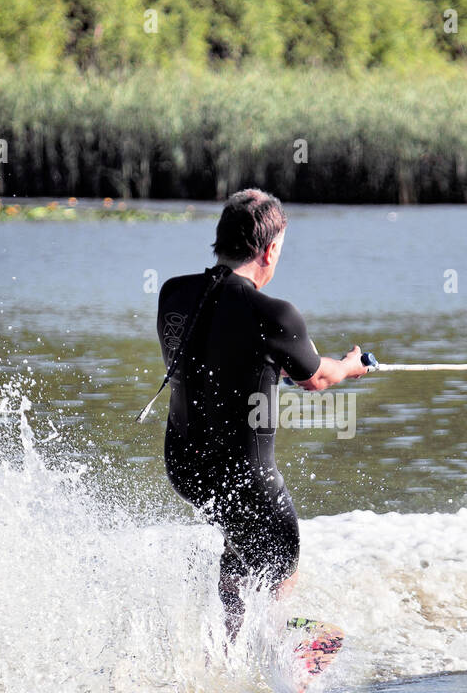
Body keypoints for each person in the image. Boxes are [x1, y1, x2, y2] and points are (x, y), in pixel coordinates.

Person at [156, 189, 366, 640]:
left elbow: (214, 361)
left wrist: (273, 366)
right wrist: (351, 365)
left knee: (239, 537)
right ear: (269, 250)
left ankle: (225, 649)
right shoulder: (276, 314)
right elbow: (317, 379)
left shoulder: (173, 292)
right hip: (244, 472)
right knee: (281, 562)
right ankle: (277, 664)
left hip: (186, 466)